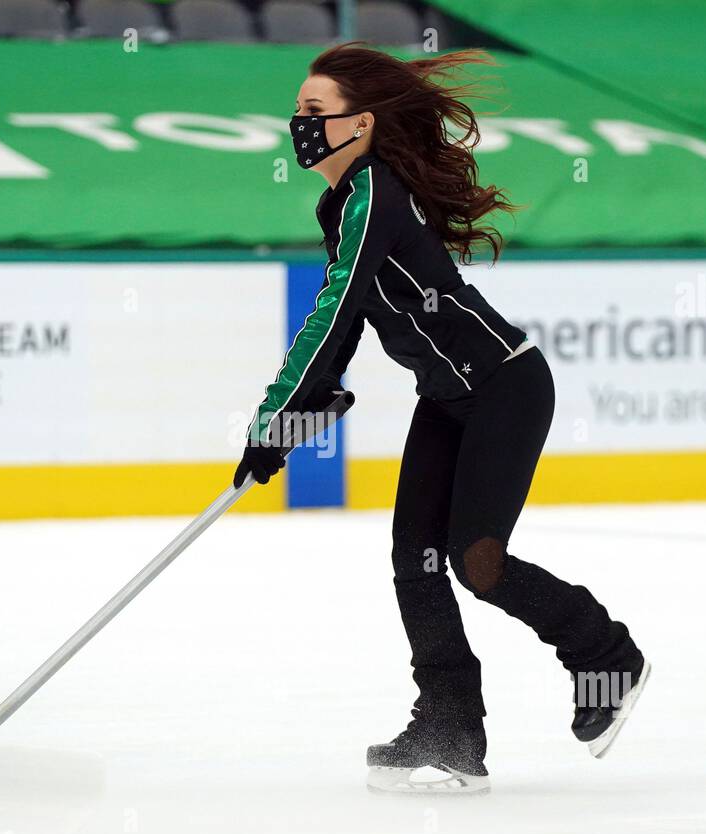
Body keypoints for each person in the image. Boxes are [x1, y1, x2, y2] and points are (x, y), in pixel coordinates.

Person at [234, 43, 650, 794]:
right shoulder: (347, 203)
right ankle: (450, 724)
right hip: (449, 398)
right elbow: (352, 320)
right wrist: (293, 422)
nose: (298, 124)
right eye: (297, 111)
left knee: (477, 562)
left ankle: (603, 654)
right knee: (414, 561)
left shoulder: (374, 196)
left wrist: (273, 416)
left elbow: (331, 313)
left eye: (314, 112)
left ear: (359, 125)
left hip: (505, 386)